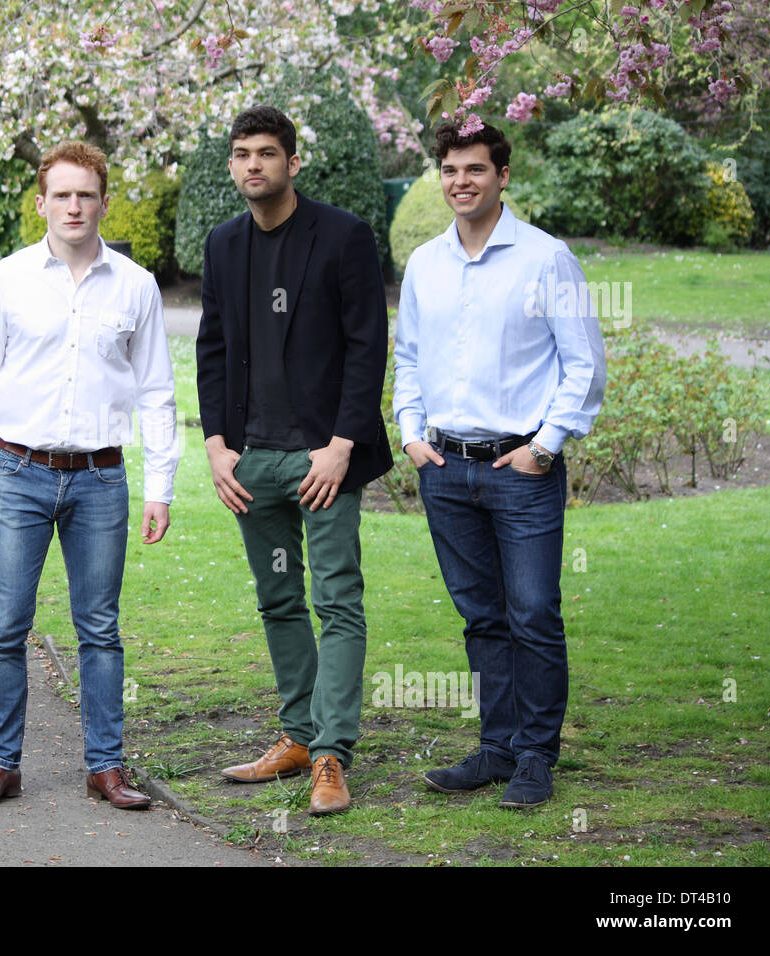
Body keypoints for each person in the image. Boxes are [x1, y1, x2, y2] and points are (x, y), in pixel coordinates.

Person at [0, 141, 179, 810]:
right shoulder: (8, 279)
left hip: (101, 481)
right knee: (4, 626)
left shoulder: (136, 285)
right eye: (62, 194)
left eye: (87, 194)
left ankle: (106, 767)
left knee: (99, 629)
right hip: (17, 474)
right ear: (41, 202)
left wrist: (159, 486)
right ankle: (0, 764)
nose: (75, 206)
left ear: (104, 202)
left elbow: (157, 390)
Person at [393, 120, 605, 809]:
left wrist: (545, 447)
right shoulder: (425, 262)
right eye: (450, 170)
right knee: (482, 617)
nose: (462, 181)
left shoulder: (547, 259)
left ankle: (537, 757)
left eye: (475, 169)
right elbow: (412, 358)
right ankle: (497, 747)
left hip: (522, 470)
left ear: (502, 175)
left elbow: (584, 365)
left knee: (534, 612)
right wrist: (408, 432)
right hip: (445, 470)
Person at [195, 106, 393, 816]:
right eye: (243, 153)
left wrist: (341, 446)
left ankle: (333, 755)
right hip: (254, 463)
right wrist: (218, 447)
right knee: (278, 599)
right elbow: (212, 348)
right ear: (232, 165)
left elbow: (368, 346)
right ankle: (300, 736)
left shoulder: (342, 237)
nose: (255, 165)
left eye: (268, 154)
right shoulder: (223, 245)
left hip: (322, 461)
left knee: (336, 602)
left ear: (293, 163)